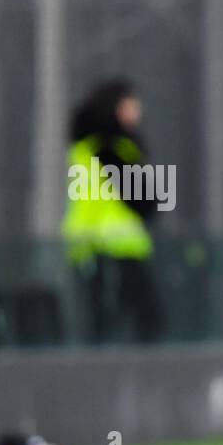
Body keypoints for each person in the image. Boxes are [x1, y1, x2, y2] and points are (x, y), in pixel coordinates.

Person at [63, 79, 162, 344]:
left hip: (96, 244)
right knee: (139, 320)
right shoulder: (109, 148)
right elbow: (138, 196)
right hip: (113, 245)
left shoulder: (86, 148)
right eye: (131, 105)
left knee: (103, 322)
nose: (137, 112)